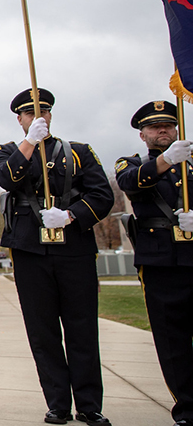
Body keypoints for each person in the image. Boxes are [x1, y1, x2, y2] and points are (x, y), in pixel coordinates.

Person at [0, 88, 114, 426]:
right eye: (29, 114)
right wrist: (29, 144)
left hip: (74, 248)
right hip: (30, 251)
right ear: (20, 119)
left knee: (82, 329)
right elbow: (5, 179)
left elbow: (102, 195)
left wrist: (71, 215)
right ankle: (58, 402)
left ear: (51, 114)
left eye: (42, 111)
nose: (37, 117)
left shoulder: (78, 152)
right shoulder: (8, 151)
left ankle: (89, 404)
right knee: (43, 331)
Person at [114, 101, 193, 426]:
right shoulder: (130, 163)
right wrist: (165, 160)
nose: (164, 130)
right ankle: (187, 408)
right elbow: (131, 183)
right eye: (156, 127)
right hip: (160, 260)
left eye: (169, 126)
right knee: (171, 340)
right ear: (143, 135)